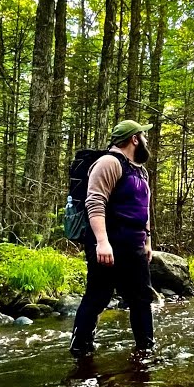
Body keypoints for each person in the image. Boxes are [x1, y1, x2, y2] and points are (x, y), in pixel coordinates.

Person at [69, 120, 156, 357]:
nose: (146, 140)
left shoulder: (139, 169)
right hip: (108, 242)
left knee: (141, 299)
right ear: (134, 139)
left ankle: (145, 352)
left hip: (134, 243)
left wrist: (147, 241)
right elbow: (94, 202)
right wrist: (102, 242)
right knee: (98, 296)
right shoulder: (108, 162)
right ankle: (79, 350)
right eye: (143, 136)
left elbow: (144, 208)